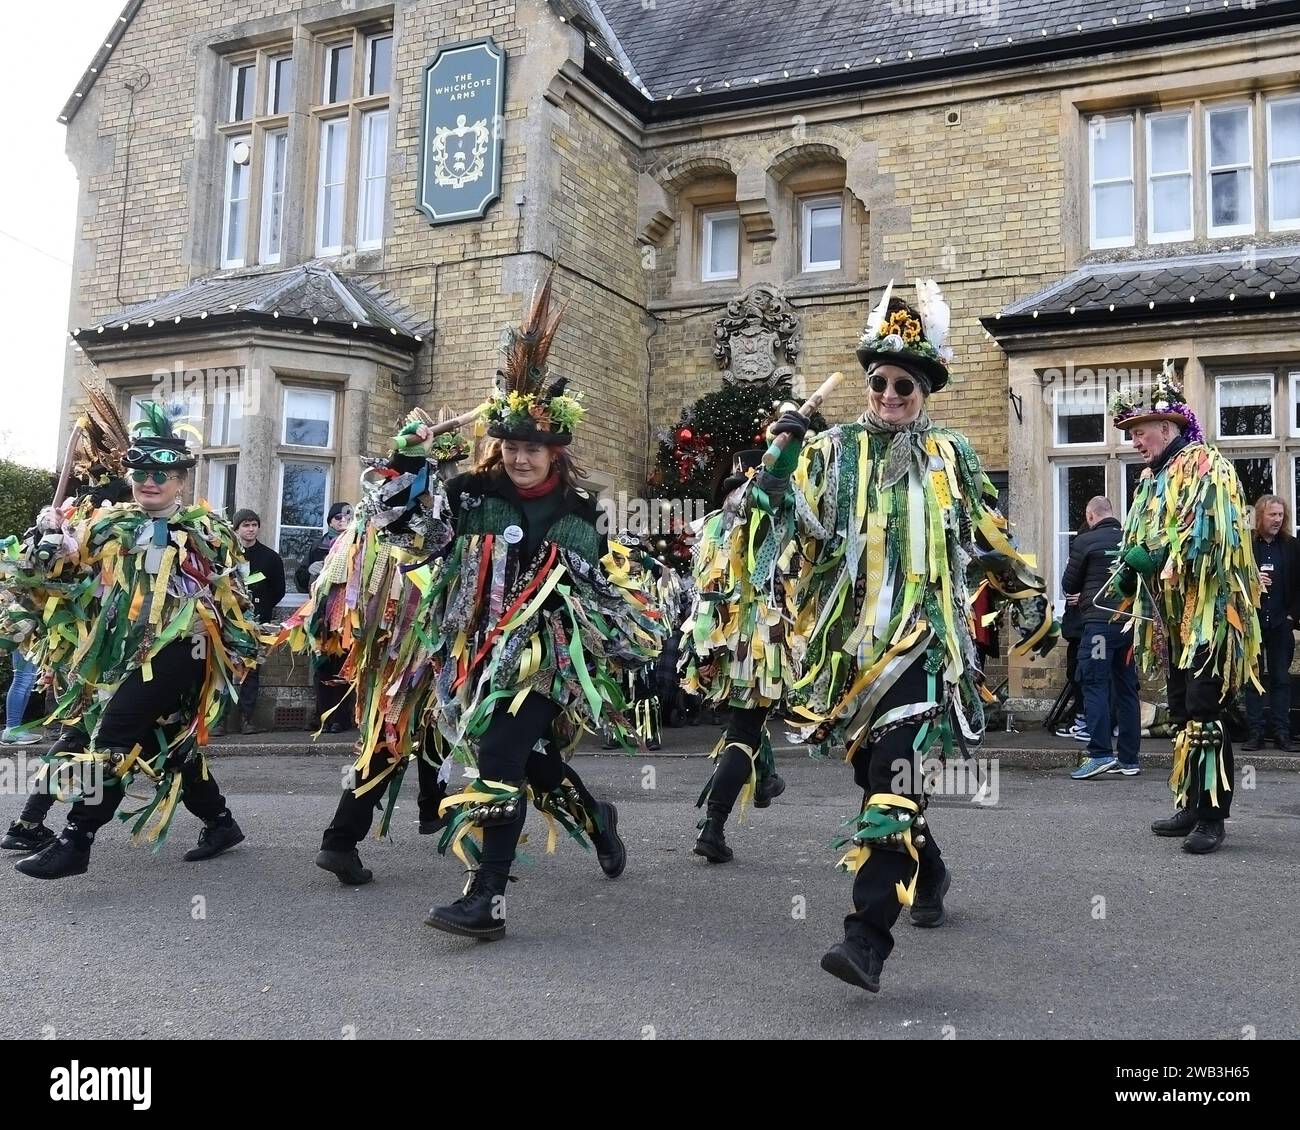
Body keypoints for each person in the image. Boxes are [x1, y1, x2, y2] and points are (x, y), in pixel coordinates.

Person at [730, 280, 1056, 992]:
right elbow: (780, 522)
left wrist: (1026, 599)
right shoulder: (834, 450)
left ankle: (866, 938)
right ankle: (930, 870)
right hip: (851, 656)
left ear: (925, 387)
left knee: (893, 779)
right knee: (878, 778)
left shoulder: (951, 455)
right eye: (878, 380)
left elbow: (985, 535)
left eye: (903, 383)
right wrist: (779, 466)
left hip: (926, 645)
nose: (887, 393)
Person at [422, 269, 667, 939]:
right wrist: (404, 466)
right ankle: (596, 818)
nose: (521, 458)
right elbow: (410, 535)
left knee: (498, 756)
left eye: (533, 447)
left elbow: (588, 588)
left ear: (557, 448)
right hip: (481, 654)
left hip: (549, 658)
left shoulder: (582, 509)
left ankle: (485, 900)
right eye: (511, 445)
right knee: (529, 761)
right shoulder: (469, 493)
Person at [2, 402, 261, 878]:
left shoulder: (209, 531)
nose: (150, 480)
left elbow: (239, 601)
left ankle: (75, 841)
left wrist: (226, 642)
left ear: (182, 480)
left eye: (163, 474)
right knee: (161, 740)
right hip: (116, 655)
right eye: (141, 470)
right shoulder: (105, 524)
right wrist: (50, 542)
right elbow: (52, 576)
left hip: (181, 650)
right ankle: (221, 822)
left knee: (115, 734)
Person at [284, 420, 467, 885]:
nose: (449, 469)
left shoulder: (381, 511)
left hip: (398, 645)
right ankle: (341, 839)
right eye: (445, 461)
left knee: (427, 724)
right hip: (414, 644)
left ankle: (429, 808)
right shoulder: (410, 508)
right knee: (395, 735)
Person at [1105, 362, 1261, 854]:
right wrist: (1131, 568)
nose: (1133, 441)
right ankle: (1193, 802)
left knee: (1204, 708)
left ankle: (1213, 816)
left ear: (1167, 427)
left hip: (1209, 615)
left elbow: (1215, 537)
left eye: (1139, 431)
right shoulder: (1151, 480)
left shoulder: (1205, 465)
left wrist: (1161, 557)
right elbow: (1140, 537)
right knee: (1181, 708)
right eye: (1130, 432)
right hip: (1172, 620)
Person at [680, 447, 789, 863]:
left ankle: (766, 780)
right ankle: (713, 826)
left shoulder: (710, 525)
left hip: (712, 638)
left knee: (746, 719)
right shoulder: (767, 522)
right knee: (744, 731)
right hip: (753, 637)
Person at [1065, 496, 1141, 778]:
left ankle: (1100, 754)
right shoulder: (1130, 540)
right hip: (1127, 626)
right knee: (1127, 688)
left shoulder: (1085, 541)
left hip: (1098, 627)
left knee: (1095, 685)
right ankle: (1130, 759)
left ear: (1090, 515)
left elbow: (1068, 583)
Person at [1243, 494, 1300, 751]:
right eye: (1272, 515)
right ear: (1260, 517)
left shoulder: (1291, 546)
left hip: (1281, 623)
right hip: (1252, 622)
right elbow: (1232, 582)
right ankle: (1255, 732)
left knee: (1280, 679)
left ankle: (1281, 732)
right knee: (1253, 680)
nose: (1277, 520)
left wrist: (1291, 617)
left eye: (1280, 515)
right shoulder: (1246, 546)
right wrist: (1252, 584)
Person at [298, 502, 355, 733]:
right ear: (330, 520)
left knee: (344, 666)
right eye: (338, 517)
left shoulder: (357, 544)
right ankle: (323, 715)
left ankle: (341, 718)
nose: (342, 521)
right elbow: (301, 577)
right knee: (322, 665)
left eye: (347, 518)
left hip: (346, 616)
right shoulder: (318, 545)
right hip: (320, 615)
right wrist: (310, 570)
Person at [229, 509, 285, 735]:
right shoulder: (227, 553)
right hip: (229, 619)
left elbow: (279, 590)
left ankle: (246, 719)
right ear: (237, 528)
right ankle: (220, 722)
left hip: (258, 621)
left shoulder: (270, 557)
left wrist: (261, 608)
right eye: (245, 525)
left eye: (254, 524)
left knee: (251, 671)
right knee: (223, 669)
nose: (250, 529)